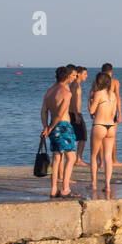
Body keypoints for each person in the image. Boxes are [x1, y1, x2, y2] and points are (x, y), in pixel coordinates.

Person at [40, 66, 77, 198]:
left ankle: (53, 189)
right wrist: (50, 127)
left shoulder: (49, 91)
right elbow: (60, 113)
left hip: (53, 127)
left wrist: (46, 127)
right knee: (71, 157)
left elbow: (44, 111)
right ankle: (65, 188)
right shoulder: (66, 93)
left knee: (56, 158)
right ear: (67, 77)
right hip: (63, 126)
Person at [87, 71, 119, 194]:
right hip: (111, 126)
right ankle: (108, 185)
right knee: (108, 157)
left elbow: (91, 111)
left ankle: (94, 183)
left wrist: (88, 100)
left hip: (99, 125)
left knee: (94, 155)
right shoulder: (113, 95)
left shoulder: (98, 94)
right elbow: (113, 114)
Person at [91, 63, 122, 166]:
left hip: (99, 111)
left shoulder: (96, 82)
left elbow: (91, 96)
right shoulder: (115, 82)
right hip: (111, 112)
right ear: (111, 71)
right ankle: (113, 160)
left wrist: (91, 109)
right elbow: (118, 98)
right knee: (111, 137)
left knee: (99, 138)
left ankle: (100, 162)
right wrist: (120, 113)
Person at [69, 66, 88, 167]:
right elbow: (74, 100)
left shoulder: (75, 85)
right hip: (75, 113)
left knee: (78, 137)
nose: (86, 76)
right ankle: (78, 159)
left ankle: (76, 158)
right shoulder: (75, 85)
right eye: (85, 74)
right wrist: (76, 114)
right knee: (83, 136)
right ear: (79, 74)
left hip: (73, 113)